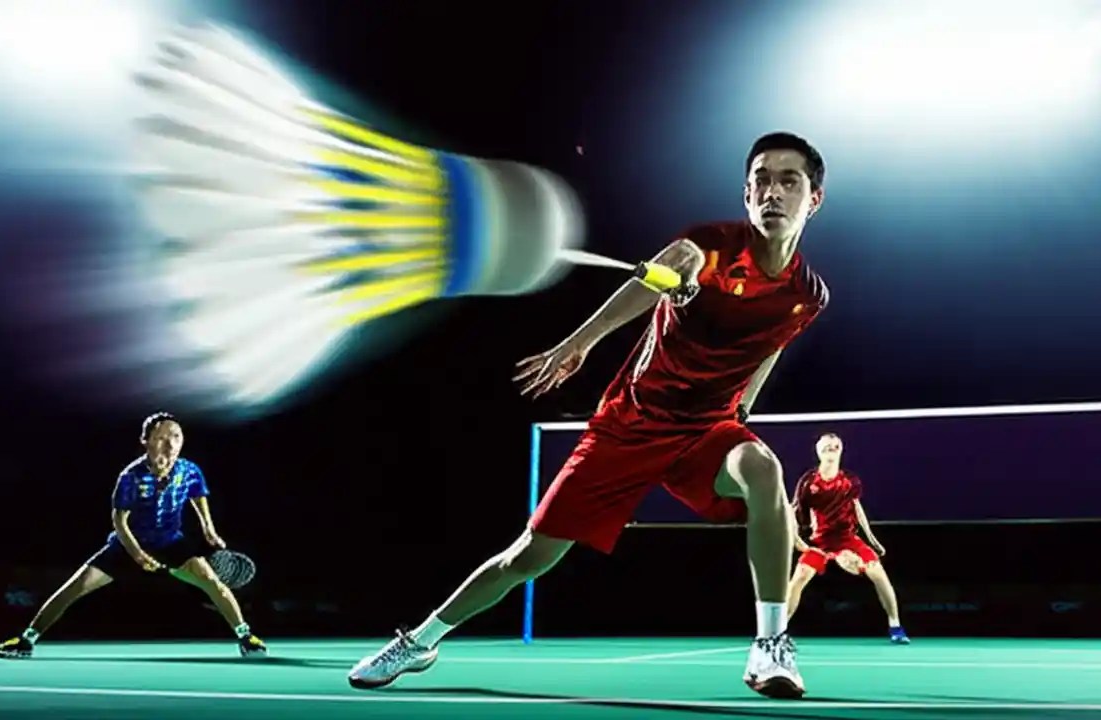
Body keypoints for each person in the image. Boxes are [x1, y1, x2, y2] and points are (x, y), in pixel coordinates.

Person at [348, 132, 831, 699]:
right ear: (746, 195)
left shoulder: (808, 295)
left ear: (813, 198)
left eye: (788, 180)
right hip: (629, 426)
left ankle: (770, 646)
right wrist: (579, 343)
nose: (772, 192)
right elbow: (661, 273)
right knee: (525, 559)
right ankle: (421, 641)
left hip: (705, 432)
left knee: (764, 469)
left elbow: (773, 340)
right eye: (760, 181)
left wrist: (743, 405)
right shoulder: (709, 247)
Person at [0, 412, 267, 659]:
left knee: (212, 582)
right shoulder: (130, 477)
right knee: (74, 587)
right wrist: (136, 553)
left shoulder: (189, 470)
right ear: (146, 440)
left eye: (176, 437)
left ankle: (246, 638)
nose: (170, 444)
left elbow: (198, 496)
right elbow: (119, 521)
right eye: (162, 437)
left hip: (171, 543)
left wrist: (208, 528)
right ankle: (26, 641)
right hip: (128, 544)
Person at [787, 432, 909, 644]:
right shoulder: (808, 482)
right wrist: (797, 540)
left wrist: (872, 540)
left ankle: (895, 625)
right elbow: (794, 511)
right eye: (826, 446)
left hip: (847, 539)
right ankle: (778, 630)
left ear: (841, 450)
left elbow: (857, 509)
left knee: (879, 575)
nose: (831, 448)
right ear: (818, 452)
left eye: (835, 446)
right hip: (820, 541)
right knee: (799, 578)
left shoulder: (850, 481)